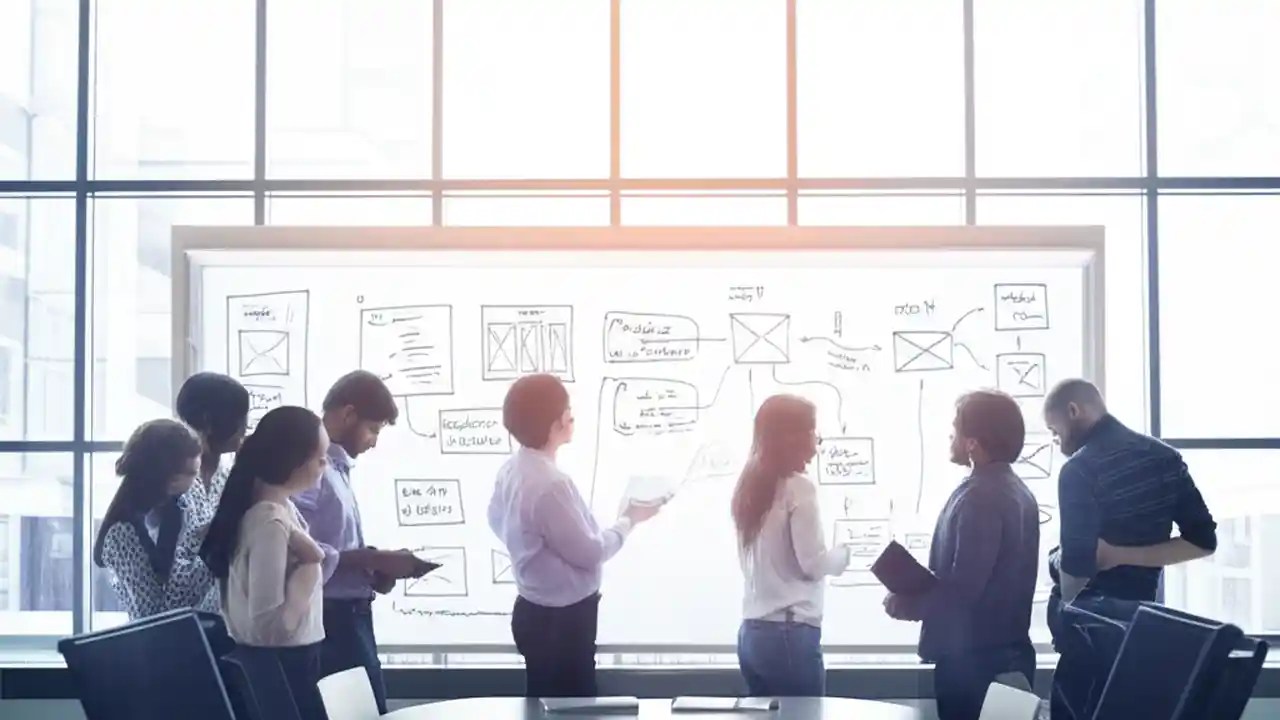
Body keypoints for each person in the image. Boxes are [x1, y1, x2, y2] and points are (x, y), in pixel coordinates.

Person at [1043, 378, 1217, 718]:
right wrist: (1122, 555)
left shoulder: (1080, 468)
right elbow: (1203, 540)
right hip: (1140, 631)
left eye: (1055, 429)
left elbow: (1076, 572)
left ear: (1073, 411)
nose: (1057, 442)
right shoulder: (1166, 458)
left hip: (1090, 636)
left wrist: (1058, 560)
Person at [488, 373, 662, 698]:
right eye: (567, 410)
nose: (572, 417)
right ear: (554, 423)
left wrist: (531, 550)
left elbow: (495, 519)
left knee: (543, 704)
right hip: (562, 624)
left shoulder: (512, 469)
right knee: (572, 708)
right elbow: (590, 552)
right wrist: (629, 520)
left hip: (532, 611)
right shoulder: (552, 484)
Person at [884, 390, 1040, 720]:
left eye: (956, 428)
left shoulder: (981, 496)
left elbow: (964, 591)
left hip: (976, 666)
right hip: (1006, 658)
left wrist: (906, 605)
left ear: (972, 442)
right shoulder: (1016, 490)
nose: (951, 436)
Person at [295, 370, 432, 715]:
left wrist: (374, 566)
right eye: (373, 429)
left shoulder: (337, 469)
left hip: (352, 614)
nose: (373, 441)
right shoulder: (310, 470)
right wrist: (364, 560)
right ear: (348, 414)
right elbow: (294, 546)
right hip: (331, 620)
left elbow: (329, 542)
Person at [200, 406, 330, 720]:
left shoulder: (279, 510)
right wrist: (310, 568)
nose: (325, 465)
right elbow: (269, 625)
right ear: (292, 460)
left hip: (287, 661)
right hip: (282, 665)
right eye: (320, 457)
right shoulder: (268, 521)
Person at [732, 394, 851, 697]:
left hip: (753, 633)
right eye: (814, 431)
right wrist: (841, 555)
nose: (817, 440)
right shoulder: (798, 487)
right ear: (794, 437)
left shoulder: (750, 486)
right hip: (789, 632)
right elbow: (811, 565)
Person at [94, 419, 220, 619]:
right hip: (159, 642)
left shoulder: (187, 496)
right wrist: (207, 546)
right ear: (169, 477)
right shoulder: (121, 534)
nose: (195, 480)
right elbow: (154, 616)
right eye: (191, 473)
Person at [175, 372, 251, 522]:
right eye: (238, 419)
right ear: (206, 419)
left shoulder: (224, 476)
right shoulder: (173, 478)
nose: (244, 428)